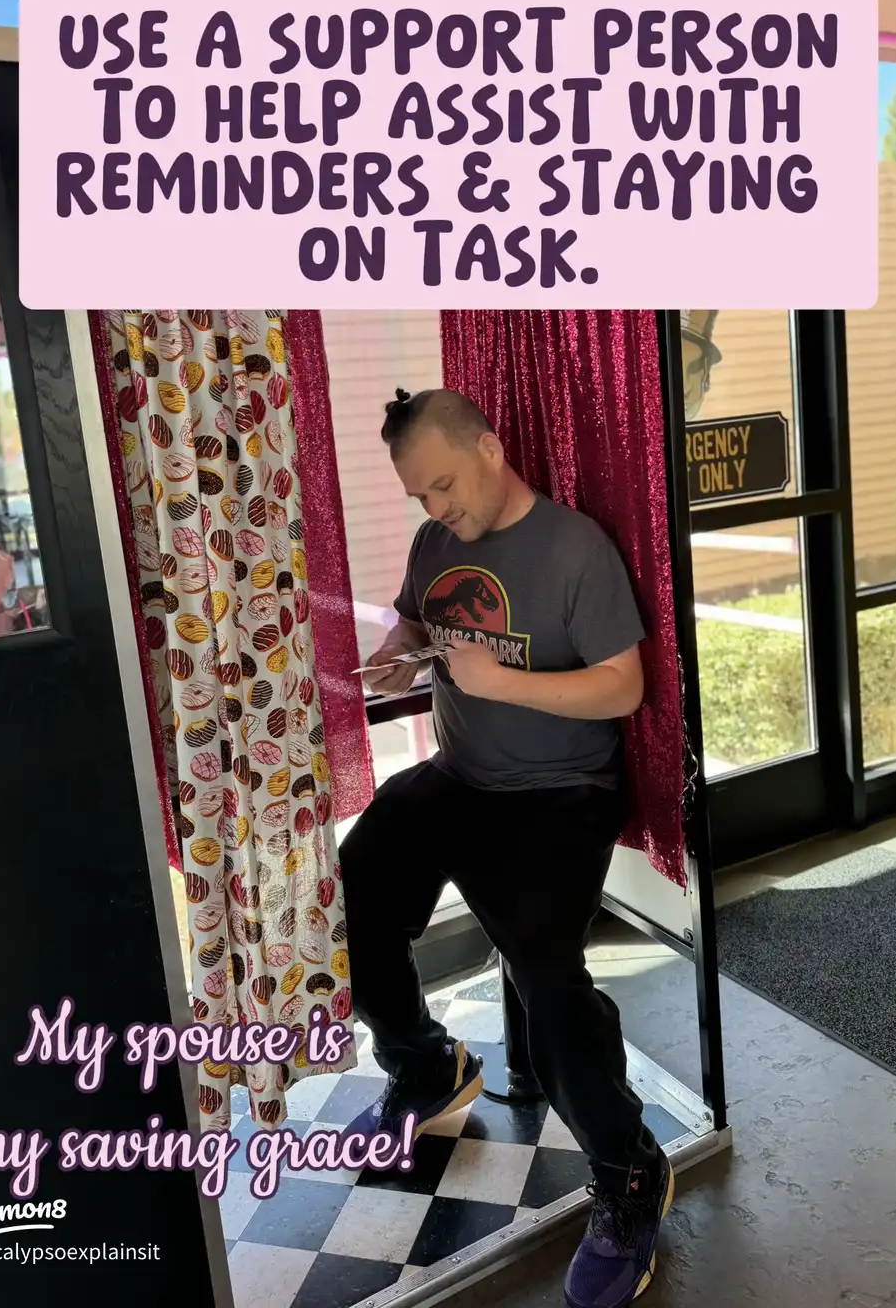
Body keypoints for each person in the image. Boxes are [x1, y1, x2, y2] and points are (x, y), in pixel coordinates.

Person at [340, 387, 673, 1308]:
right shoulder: (435, 543)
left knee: (543, 970)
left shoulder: (574, 546)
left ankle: (630, 1170)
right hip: (461, 779)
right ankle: (425, 1064)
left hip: (561, 794)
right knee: (351, 887)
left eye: (443, 484)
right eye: (419, 496)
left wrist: (505, 678)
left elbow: (621, 689)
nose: (436, 508)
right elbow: (418, 619)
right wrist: (400, 651)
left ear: (490, 448)